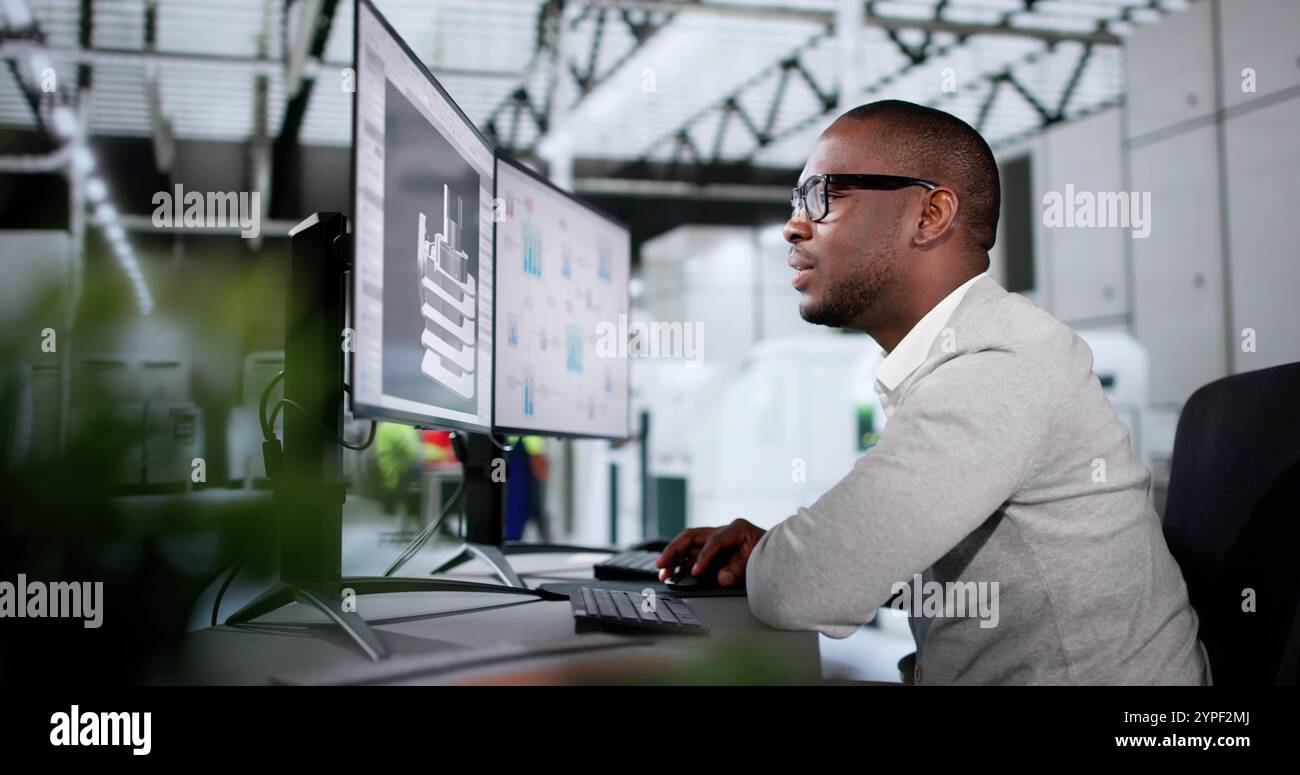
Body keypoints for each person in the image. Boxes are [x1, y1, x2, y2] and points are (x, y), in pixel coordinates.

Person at [656, 100, 1210, 685]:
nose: (795, 224)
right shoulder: (956, 358)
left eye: (825, 194)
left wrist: (778, 560)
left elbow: (810, 586)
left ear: (931, 214)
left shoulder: (1001, 365)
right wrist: (775, 550)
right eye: (797, 200)